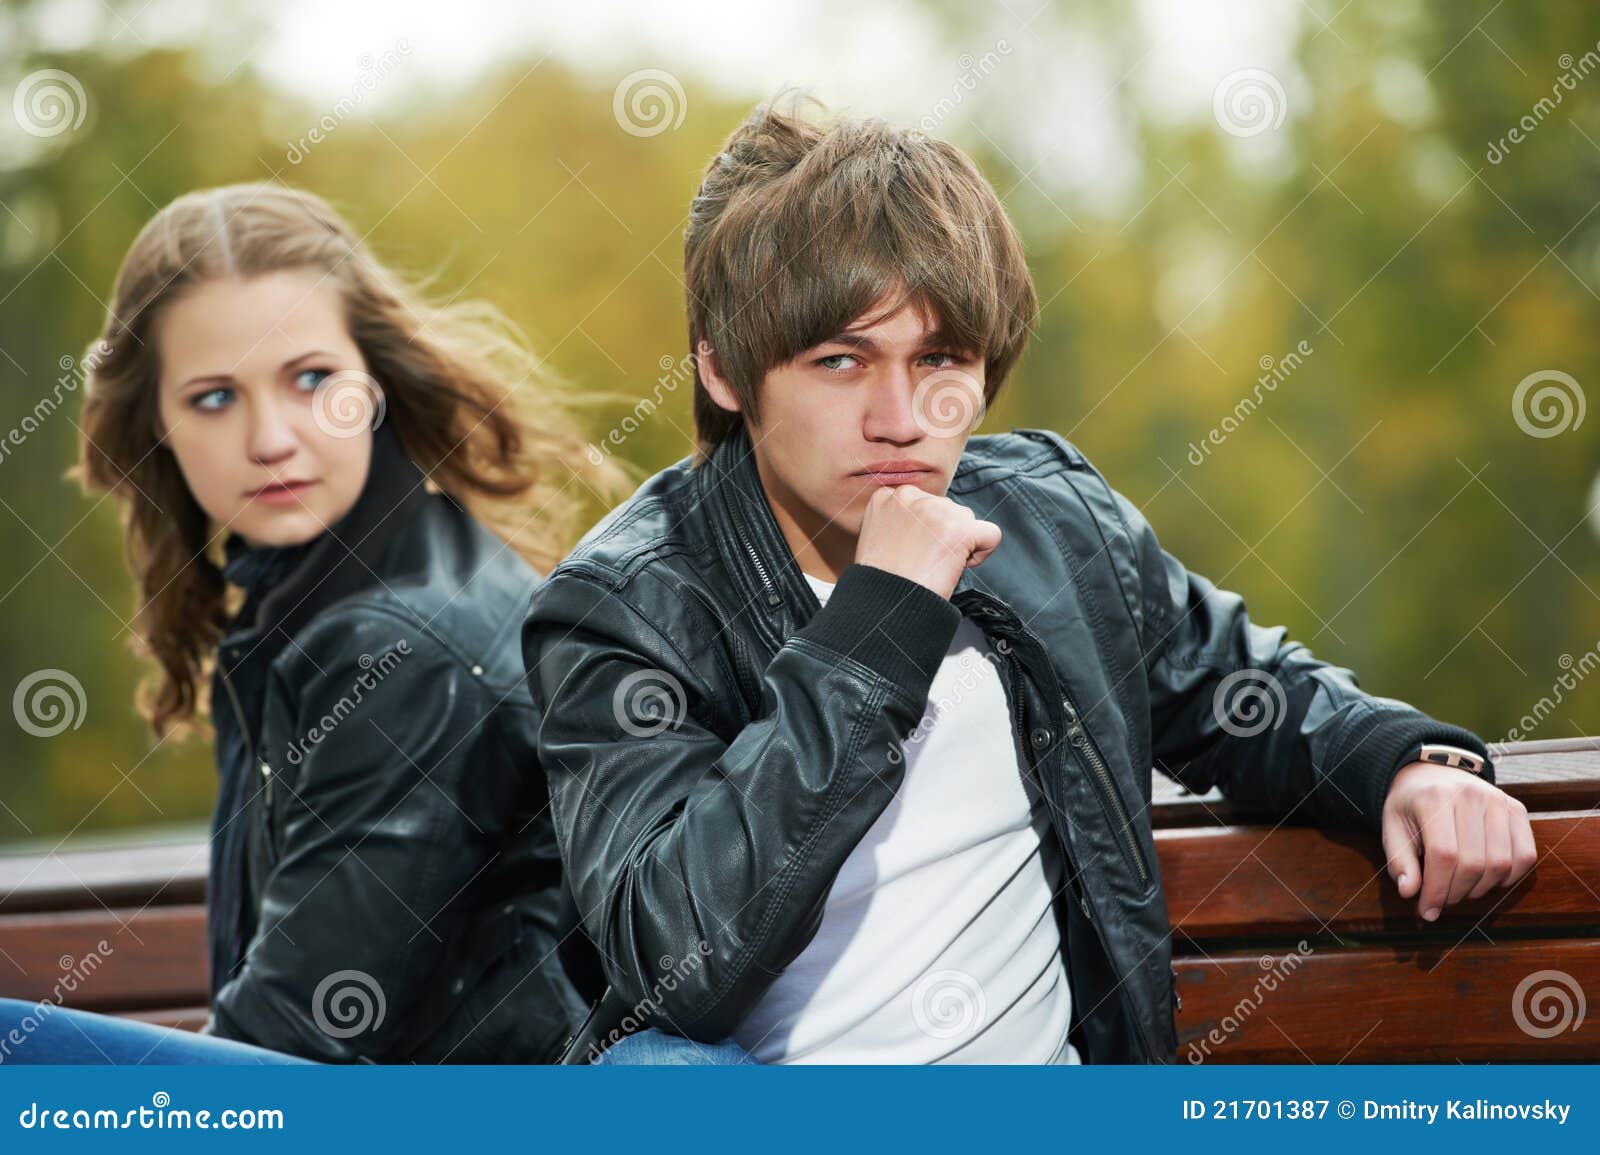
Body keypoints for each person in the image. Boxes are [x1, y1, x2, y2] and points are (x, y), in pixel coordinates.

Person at [522, 95, 1538, 1065]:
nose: (901, 418)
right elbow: (676, 961)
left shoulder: (1050, 522)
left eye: (940, 360)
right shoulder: (625, 608)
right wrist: (877, 631)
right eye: (839, 361)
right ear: (722, 371)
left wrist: (1405, 763)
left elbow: (1243, 690)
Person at [0, 183, 618, 1064]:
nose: (271, 438)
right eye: (215, 397)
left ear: (374, 379)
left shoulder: (399, 654)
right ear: (158, 427)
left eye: (311, 379)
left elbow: (282, 1057)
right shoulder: (308, 603)